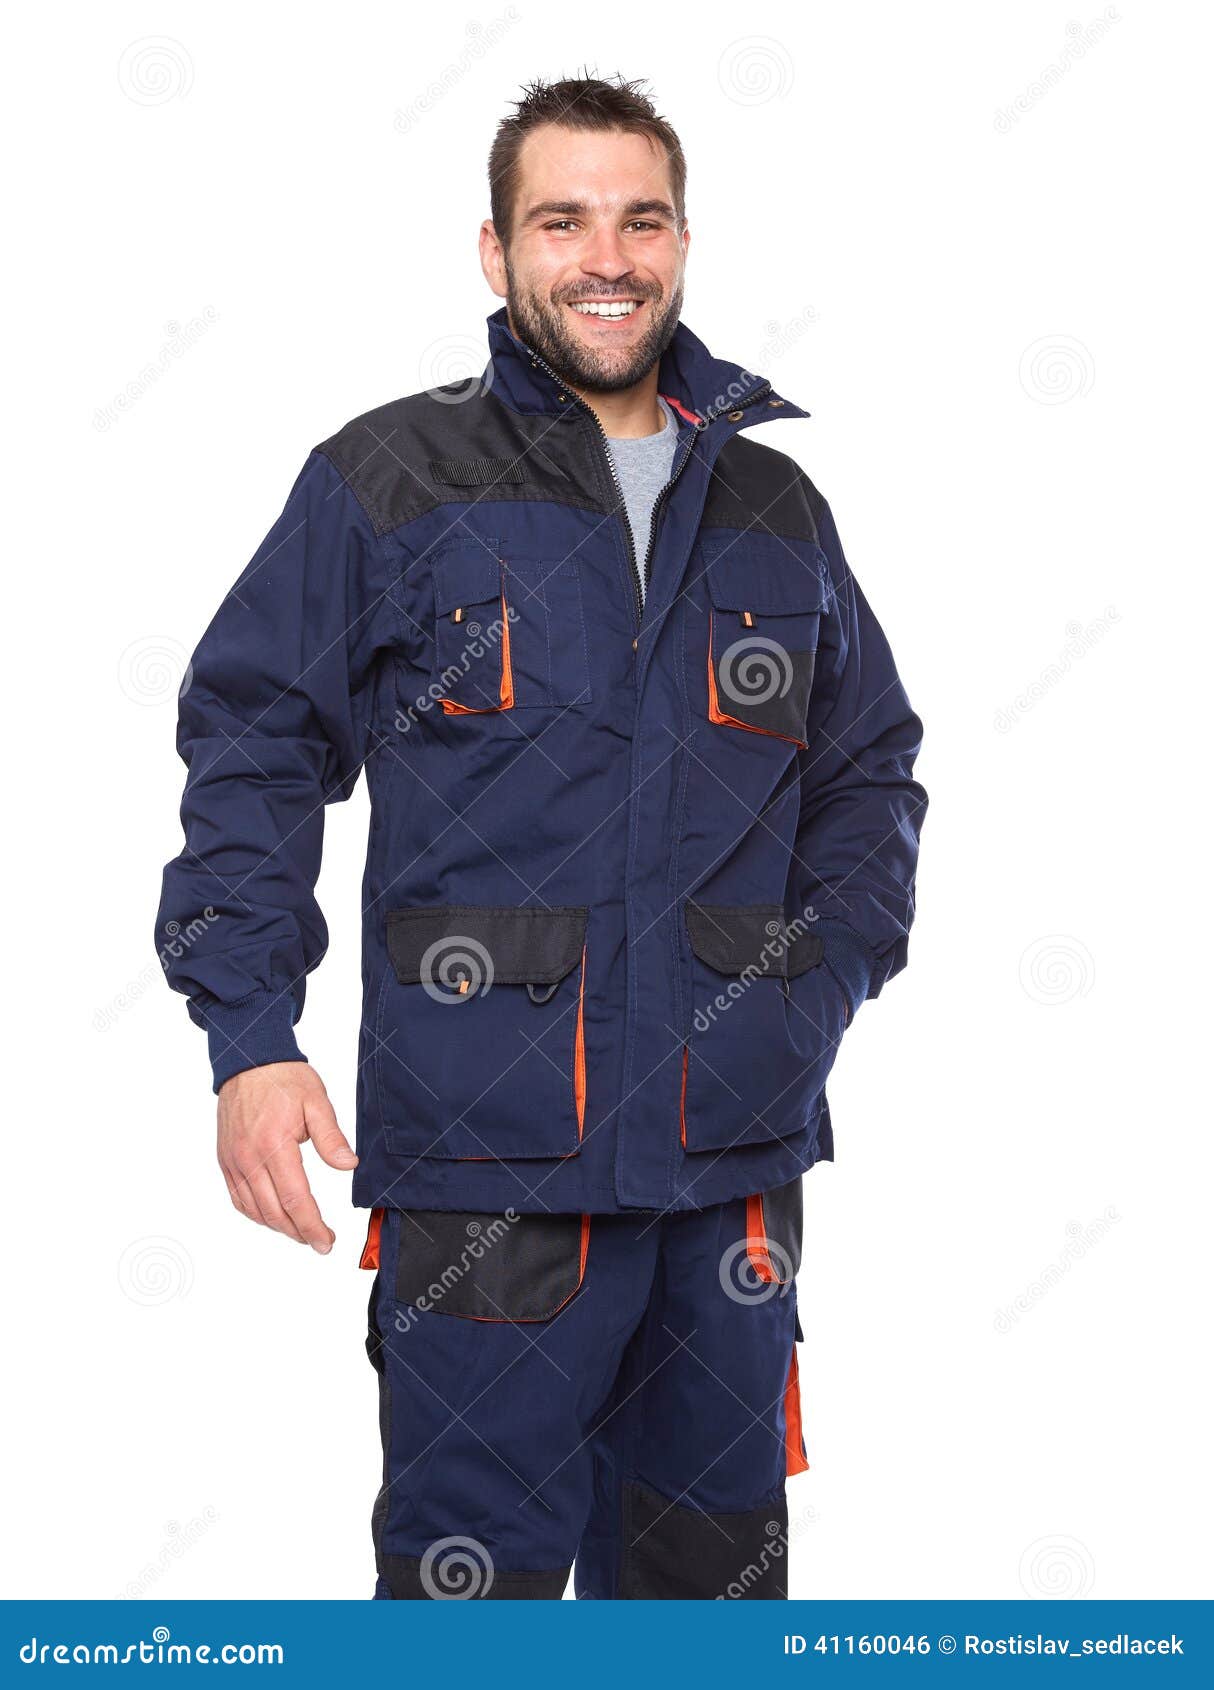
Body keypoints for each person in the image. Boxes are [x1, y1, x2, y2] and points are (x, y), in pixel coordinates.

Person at [156, 73, 927, 1600]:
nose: (607, 256)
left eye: (640, 218)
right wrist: (248, 1035)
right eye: (561, 219)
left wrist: (812, 983)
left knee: (706, 1596)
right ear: (496, 253)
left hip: (728, 1177)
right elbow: (253, 740)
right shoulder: (390, 482)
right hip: (484, 1175)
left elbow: (870, 774)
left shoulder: (773, 506)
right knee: (468, 1602)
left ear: (684, 240)